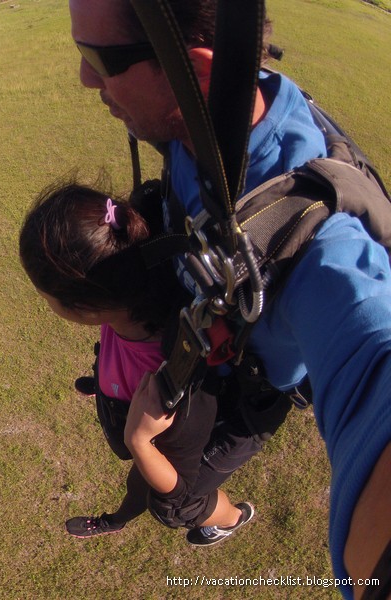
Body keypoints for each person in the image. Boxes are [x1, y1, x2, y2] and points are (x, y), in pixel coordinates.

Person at [68, 1, 391, 597]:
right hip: (217, 346)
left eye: (97, 59)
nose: (85, 78)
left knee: (176, 502)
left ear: (199, 71)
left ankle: (224, 520)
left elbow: (373, 345)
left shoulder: (321, 251)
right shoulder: (210, 120)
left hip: (249, 389)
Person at [19, 181, 254, 544]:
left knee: (167, 504)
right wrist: (106, 382)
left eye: (46, 297)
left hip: (165, 444)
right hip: (130, 396)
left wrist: (140, 440)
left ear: (85, 308)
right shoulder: (133, 296)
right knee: (138, 488)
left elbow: (180, 485)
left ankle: (232, 517)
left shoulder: (173, 373)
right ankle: (118, 517)